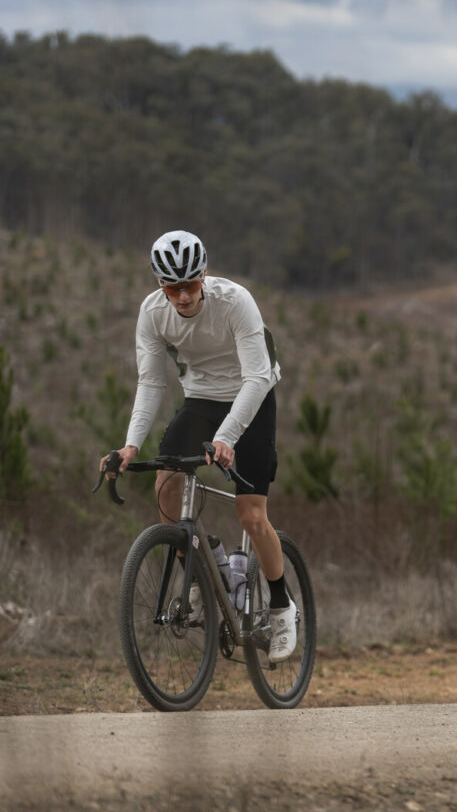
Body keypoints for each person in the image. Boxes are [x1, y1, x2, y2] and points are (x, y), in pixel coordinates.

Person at [99, 230, 298, 663]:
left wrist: (227, 438)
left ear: (204, 275)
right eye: (173, 288)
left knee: (250, 513)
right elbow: (151, 382)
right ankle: (200, 563)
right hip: (201, 401)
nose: (184, 296)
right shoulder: (152, 315)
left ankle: (282, 605)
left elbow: (258, 377)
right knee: (165, 484)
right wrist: (131, 445)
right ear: (160, 285)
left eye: (190, 284)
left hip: (252, 397)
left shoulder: (235, 301)